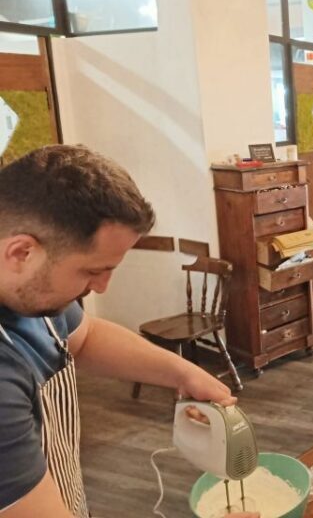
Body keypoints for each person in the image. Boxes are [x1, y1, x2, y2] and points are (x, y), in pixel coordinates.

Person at [0, 145, 256, 518]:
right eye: (92, 271)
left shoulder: (28, 291)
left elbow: (85, 338)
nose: (102, 287)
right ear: (21, 252)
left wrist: (183, 373)